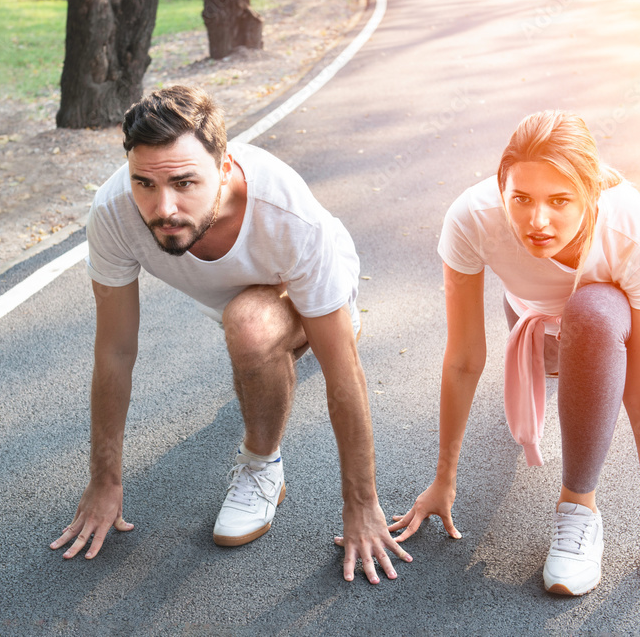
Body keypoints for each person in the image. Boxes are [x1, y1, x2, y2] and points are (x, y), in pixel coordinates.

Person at [49, 84, 411, 584]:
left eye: (184, 182)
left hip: (303, 272)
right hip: (227, 294)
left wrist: (362, 504)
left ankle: (262, 466)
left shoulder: (290, 218)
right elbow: (114, 350)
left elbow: (342, 373)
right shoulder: (114, 212)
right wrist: (104, 479)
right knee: (248, 334)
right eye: (145, 184)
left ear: (224, 168)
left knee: (255, 329)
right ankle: (282, 344)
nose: (164, 207)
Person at [390, 110, 640, 595]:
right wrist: (443, 479)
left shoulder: (632, 233)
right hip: (535, 311)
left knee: (590, 316)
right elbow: (464, 357)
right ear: (502, 189)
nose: (538, 221)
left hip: (619, 312)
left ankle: (578, 511)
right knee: (567, 357)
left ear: (591, 194)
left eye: (559, 200)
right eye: (521, 199)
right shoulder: (472, 216)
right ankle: (570, 363)